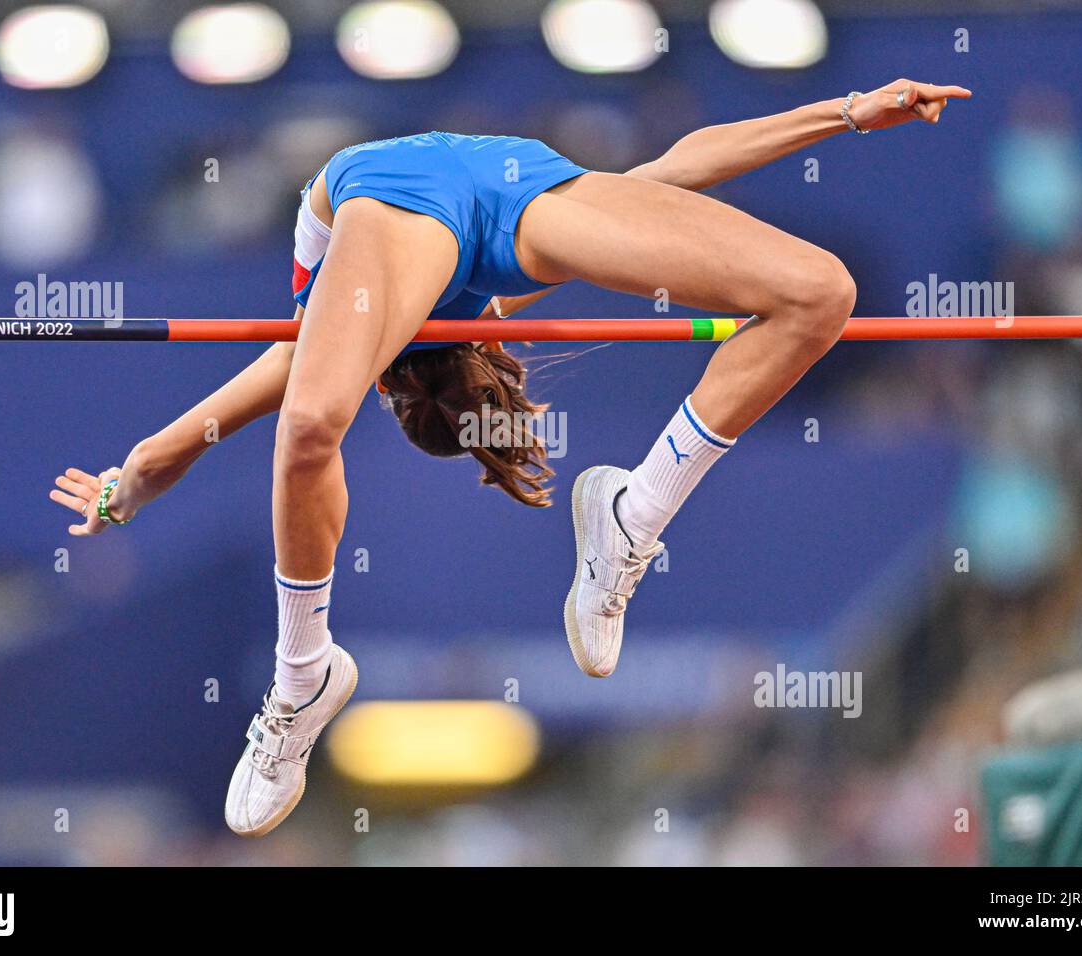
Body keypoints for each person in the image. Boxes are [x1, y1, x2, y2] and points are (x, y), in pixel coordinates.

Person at [48, 79, 971, 836]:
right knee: (818, 294)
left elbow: (195, 437)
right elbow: (671, 173)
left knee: (821, 293)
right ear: (408, 385)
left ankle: (309, 670)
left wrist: (848, 113)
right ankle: (630, 515)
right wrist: (842, 112)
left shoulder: (346, 326)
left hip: (447, 196)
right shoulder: (474, 292)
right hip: (517, 192)